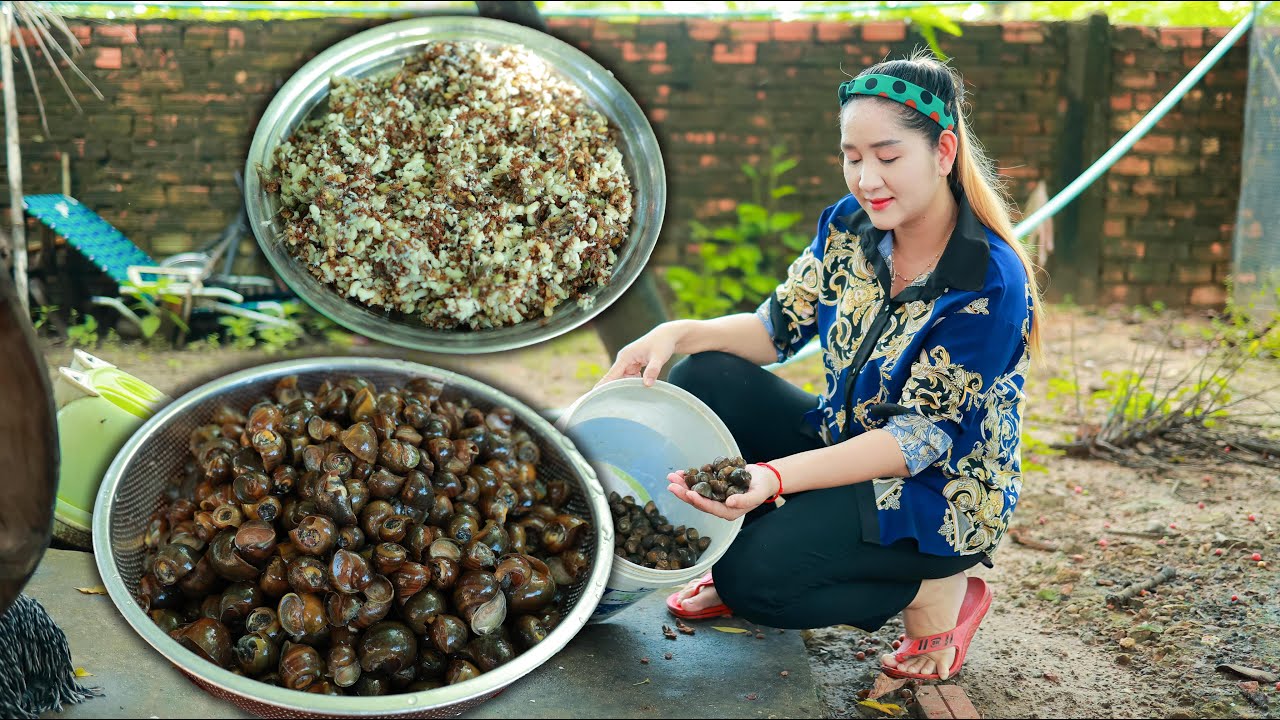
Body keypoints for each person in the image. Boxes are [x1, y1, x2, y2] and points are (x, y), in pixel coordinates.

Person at [597, 52, 1043, 681]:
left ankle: (932, 590)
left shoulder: (987, 280)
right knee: (701, 374)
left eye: (888, 157)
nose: (866, 178)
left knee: (755, 582)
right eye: (852, 156)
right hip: (847, 438)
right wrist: (675, 332)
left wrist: (774, 478)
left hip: (937, 489)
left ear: (943, 152)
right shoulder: (848, 226)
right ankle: (762, 538)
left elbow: (916, 441)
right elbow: (774, 328)